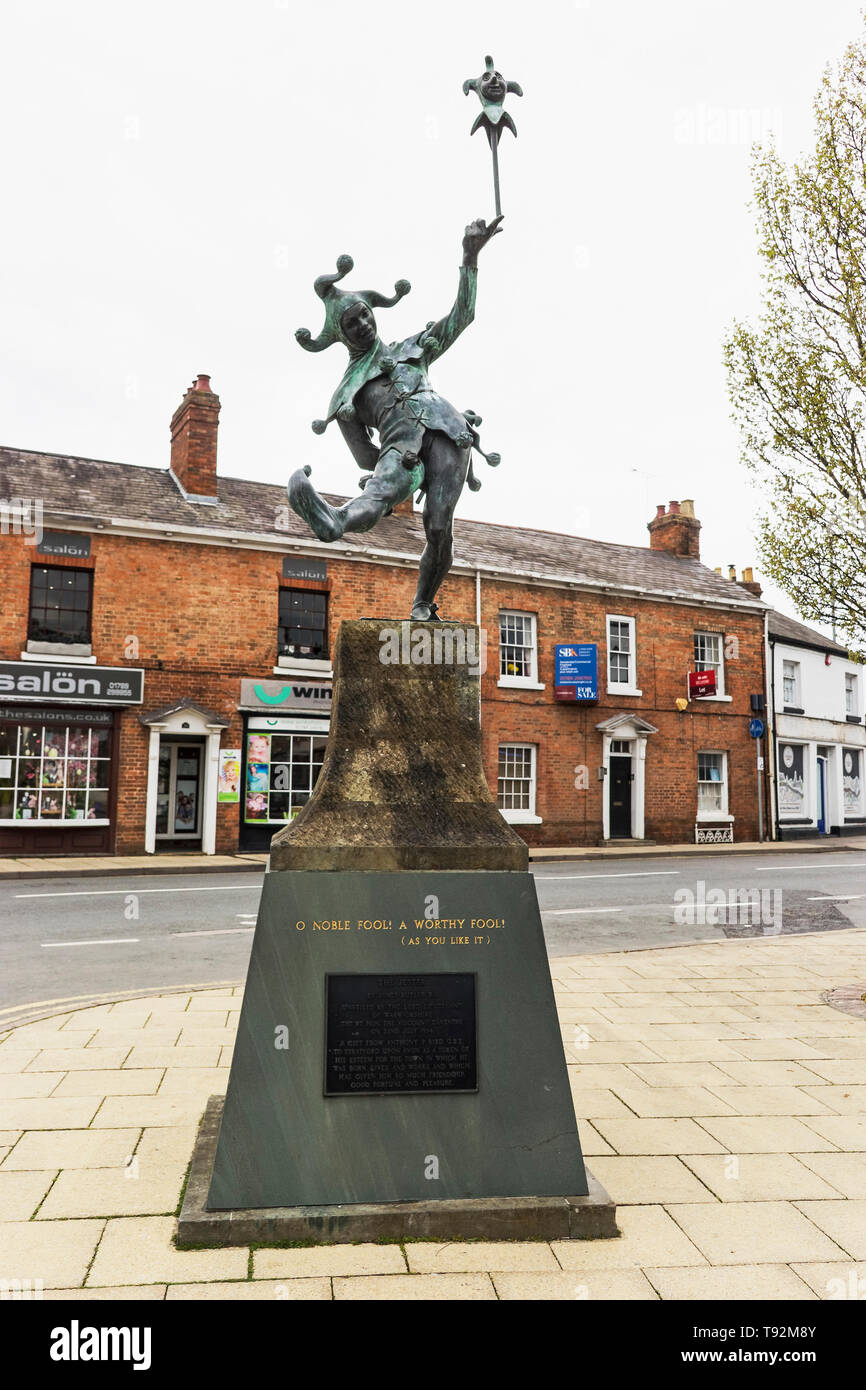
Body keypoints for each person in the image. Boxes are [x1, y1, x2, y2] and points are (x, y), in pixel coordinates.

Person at [289, 217, 503, 620]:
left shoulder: (413, 349)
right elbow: (363, 456)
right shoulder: (345, 394)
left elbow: (463, 315)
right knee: (376, 496)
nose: (363, 324)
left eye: (365, 315)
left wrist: (469, 256)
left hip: (447, 433)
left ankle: (423, 603)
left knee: (438, 528)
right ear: (340, 333)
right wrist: (387, 470)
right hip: (396, 449)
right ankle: (335, 520)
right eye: (352, 323)